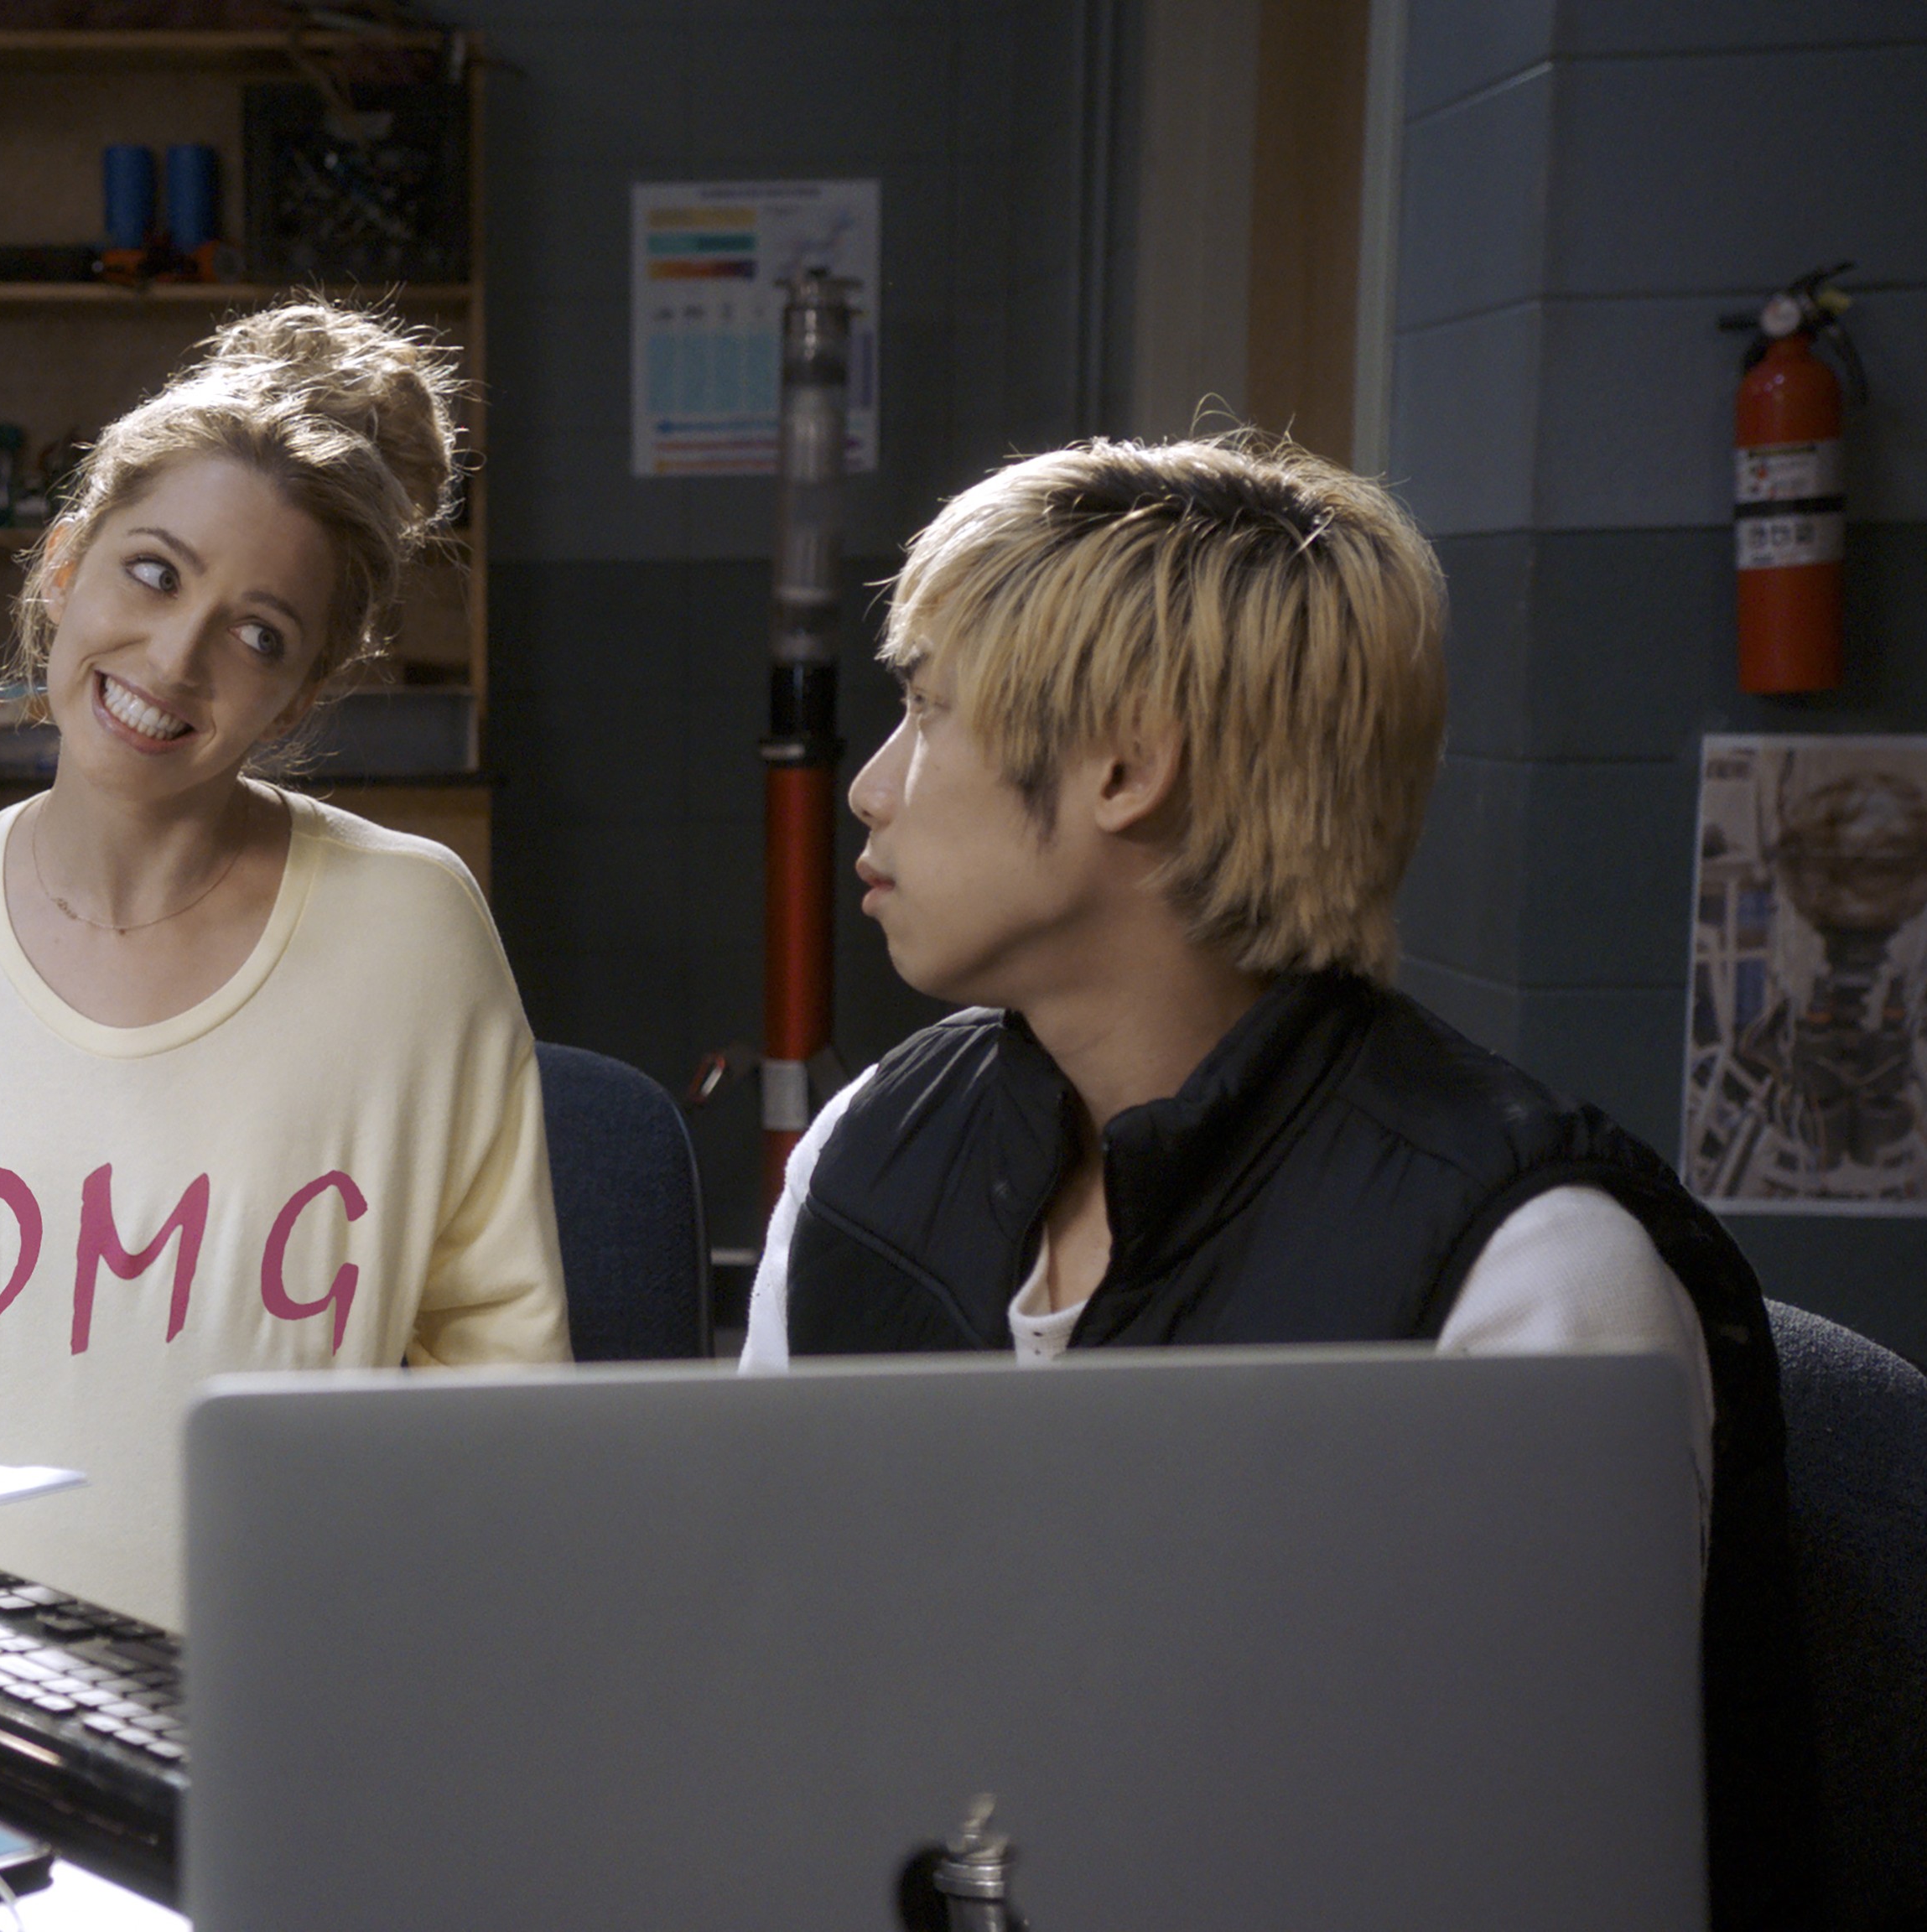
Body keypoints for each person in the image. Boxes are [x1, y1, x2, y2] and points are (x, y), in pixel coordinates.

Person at [741, 434, 1814, 1929]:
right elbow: (780, 1696)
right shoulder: (868, 1147)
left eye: (926, 712)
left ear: (1127, 767)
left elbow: (1535, 1871)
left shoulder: (1530, 1272)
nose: (869, 786)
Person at [0, 302, 571, 1627]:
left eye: (258, 634)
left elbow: (500, 1400)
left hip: (291, 1688)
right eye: (154, 572)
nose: (175, 660)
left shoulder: (413, 932)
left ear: (301, 695)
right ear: (64, 566)